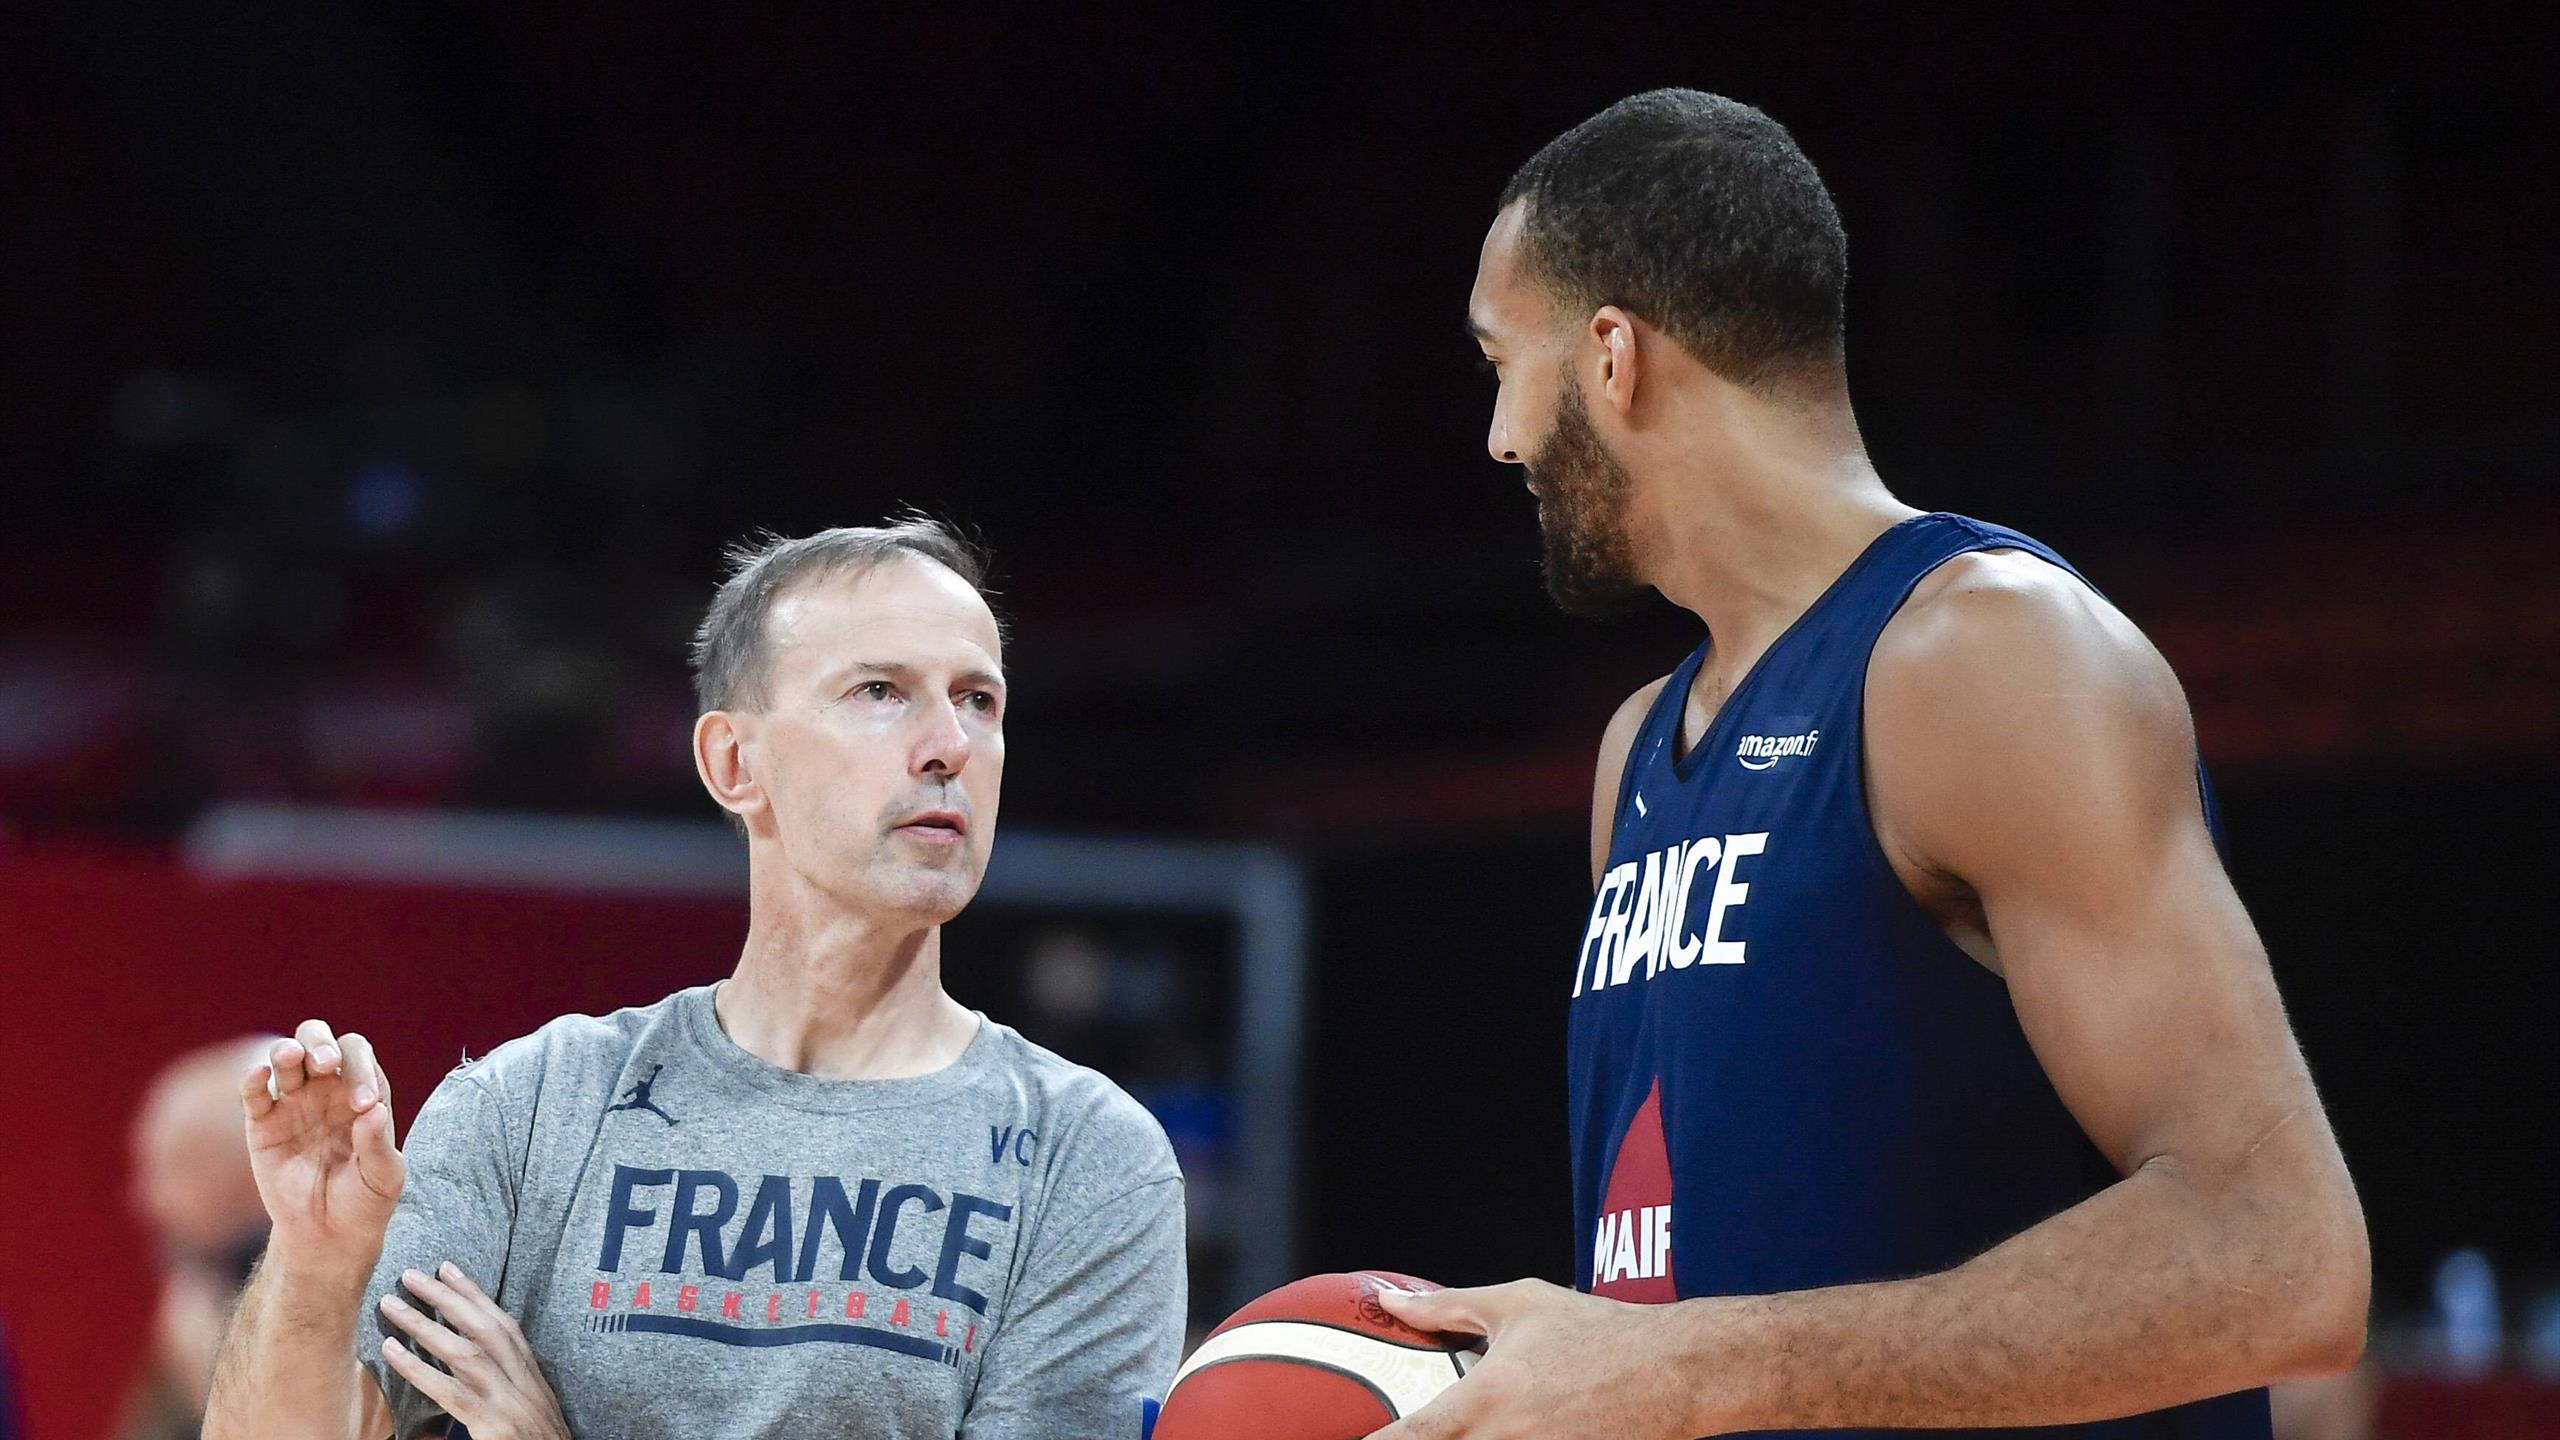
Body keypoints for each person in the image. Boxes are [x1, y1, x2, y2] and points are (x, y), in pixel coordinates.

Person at [1377, 89, 2370, 1439]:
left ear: (1613, 356)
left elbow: (2279, 1257)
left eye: (1505, 361)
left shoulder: (1987, 657)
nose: (1499, 435)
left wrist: (1682, 1371)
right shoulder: (1636, 757)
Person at [204, 519, 1187, 1440]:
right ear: (733, 762)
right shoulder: (532, 1107)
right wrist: (317, 1264)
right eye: (879, 692)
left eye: (978, 700)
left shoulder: (1086, 1159)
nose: (949, 747)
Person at [120, 1036, 278, 1440]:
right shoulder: (195, 1291)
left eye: (180, 1166)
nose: (150, 1199)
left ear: (257, 1158)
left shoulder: (341, 1284)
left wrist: (215, 1385)